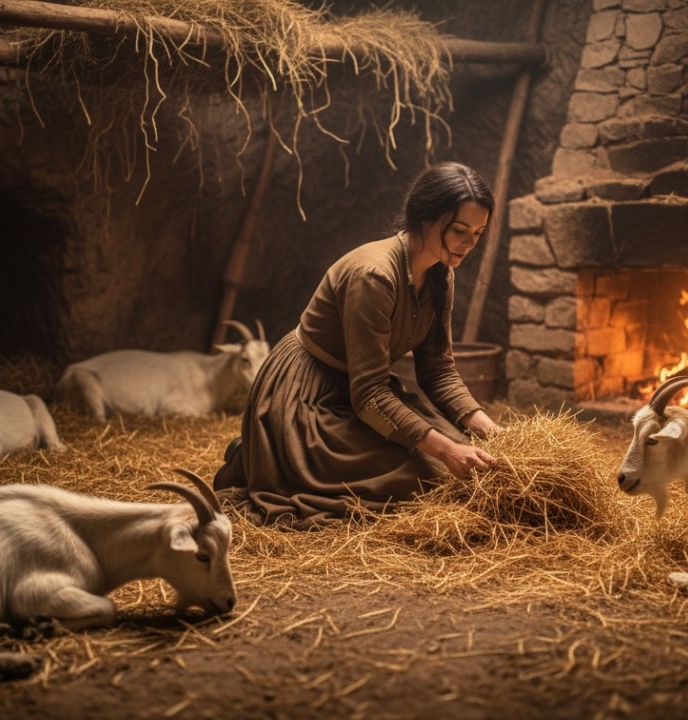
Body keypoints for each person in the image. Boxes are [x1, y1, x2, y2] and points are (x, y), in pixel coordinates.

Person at [214, 161, 503, 527]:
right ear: (424, 217)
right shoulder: (375, 275)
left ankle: (266, 458)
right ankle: (266, 455)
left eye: (478, 233)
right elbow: (368, 394)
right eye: (460, 229)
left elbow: (437, 370)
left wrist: (494, 433)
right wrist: (446, 451)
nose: (469, 243)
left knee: (474, 460)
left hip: (361, 395)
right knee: (431, 476)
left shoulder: (440, 274)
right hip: (308, 397)